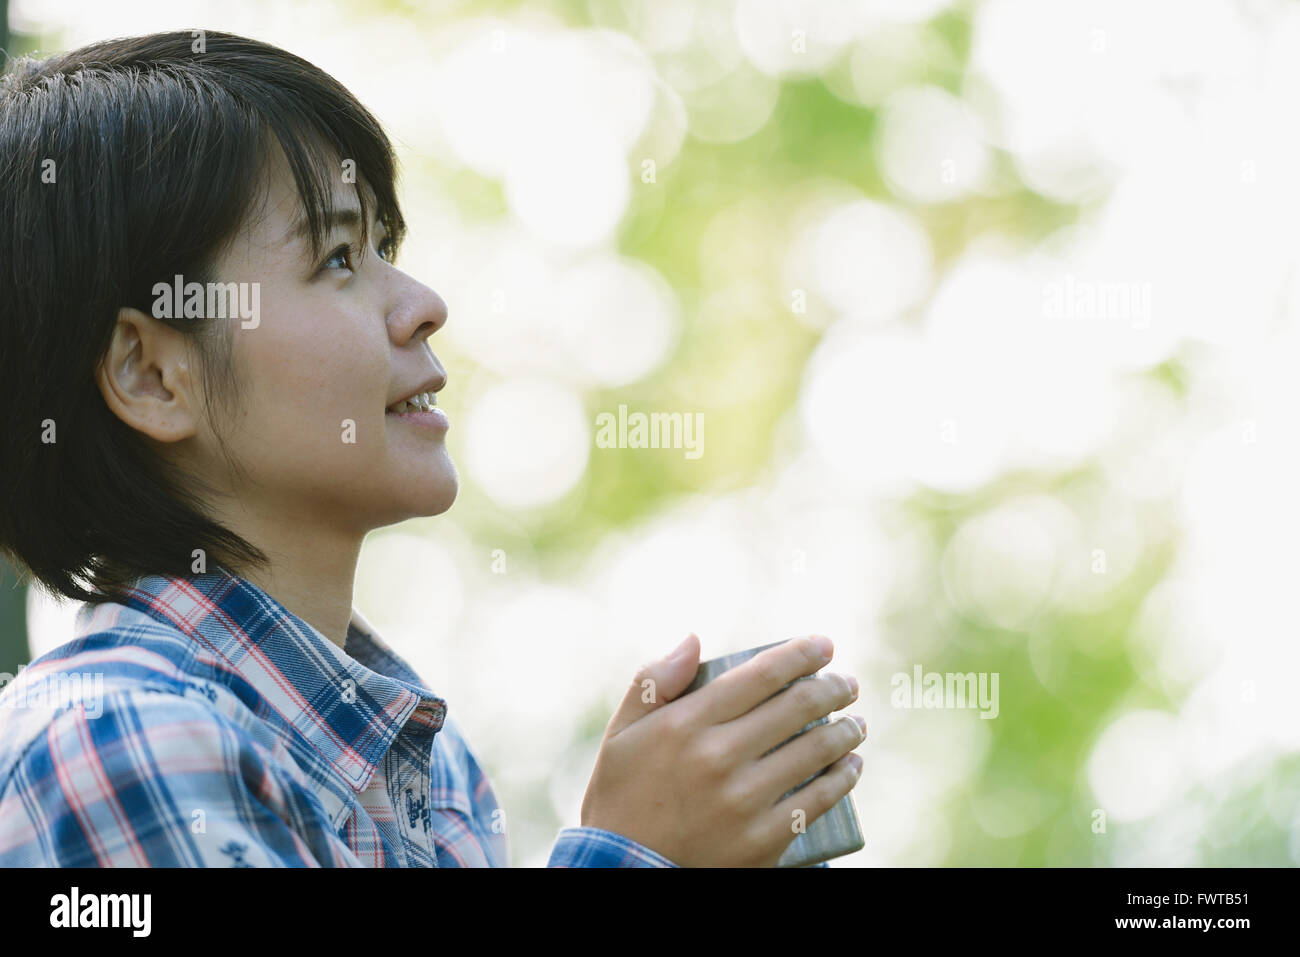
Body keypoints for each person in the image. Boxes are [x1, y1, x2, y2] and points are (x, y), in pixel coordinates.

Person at [0, 30, 866, 867]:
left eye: (385, 247)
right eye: (337, 255)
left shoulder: (433, 779)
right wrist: (634, 850)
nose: (422, 303)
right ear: (153, 374)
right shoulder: (114, 735)